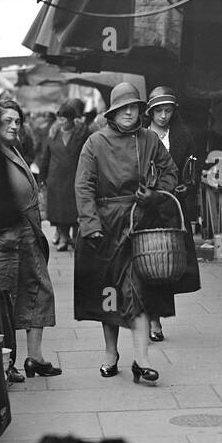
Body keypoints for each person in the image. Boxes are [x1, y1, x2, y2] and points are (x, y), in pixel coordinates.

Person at [74, 83, 179, 384]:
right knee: (108, 293)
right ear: (113, 112)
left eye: (134, 106)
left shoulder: (149, 139)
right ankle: (111, 353)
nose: (130, 111)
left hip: (140, 224)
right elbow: (84, 186)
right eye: (123, 107)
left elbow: (170, 171)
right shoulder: (95, 143)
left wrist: (156, 194)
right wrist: (91, 225)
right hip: (105, 226)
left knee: (139, 291)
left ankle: (142, 359)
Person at [0, 98, 63, 380]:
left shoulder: (13, 148)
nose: (14, 125)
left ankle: (35, 358)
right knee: (3, 300)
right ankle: (5, 363)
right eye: (7, 120)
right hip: (1, 237)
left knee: (39, 292)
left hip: (27, 232)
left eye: (17, 121)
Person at [143, 85, 198, 342]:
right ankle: (153, 320)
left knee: (169, 265)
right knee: (149, 263)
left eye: (168, 110)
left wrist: (189, 185)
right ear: (150, 112)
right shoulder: (141, 137)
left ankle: (157, 315)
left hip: (175, 207)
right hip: (148, 208)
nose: (164, 115)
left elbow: (192, 167)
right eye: (159, 111)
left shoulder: (182, 135)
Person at [40, 98, 87, 252]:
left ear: (72, 119)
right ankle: (63, 236)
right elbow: (45, 158)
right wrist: (42, 178)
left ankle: (70, 238)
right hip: (55, 178)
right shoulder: (52, 134)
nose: (61, 122)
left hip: (74, 177)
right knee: (58, 210)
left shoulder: (81, 134)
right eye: (60, 118)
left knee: (72, 210)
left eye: (65, 119)